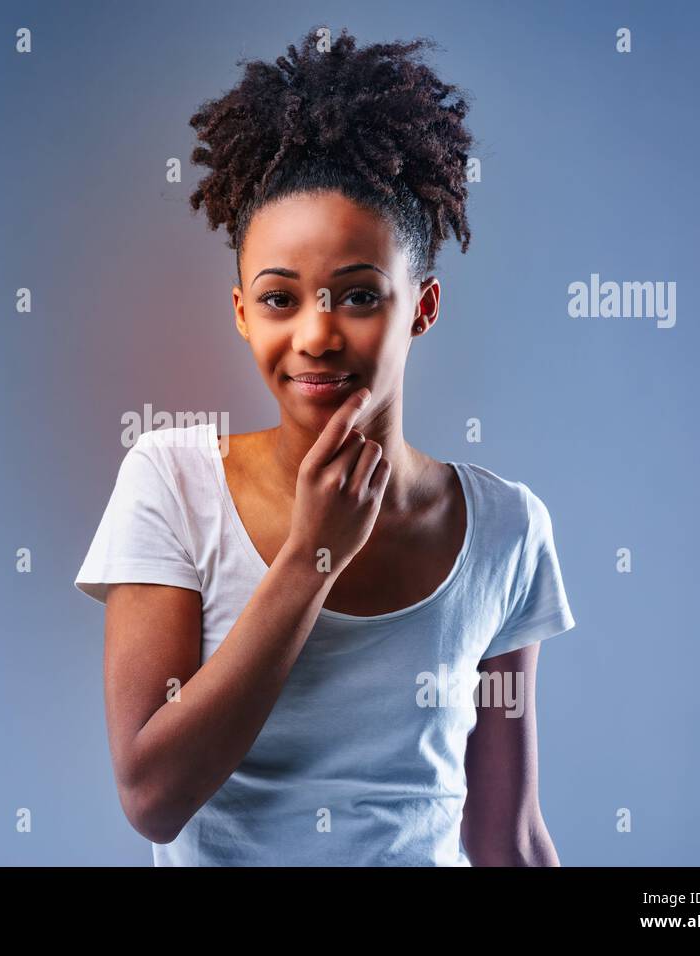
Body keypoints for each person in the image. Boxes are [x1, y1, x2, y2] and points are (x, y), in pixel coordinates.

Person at [74, 27, 576, 866]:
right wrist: (312, 555)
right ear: (241, 313)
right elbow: (153, 797)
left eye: (357, 295)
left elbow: (507, 836)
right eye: (280, 299)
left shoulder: (507, 530)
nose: (316, 333)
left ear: (422, 306)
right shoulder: (169, 481)